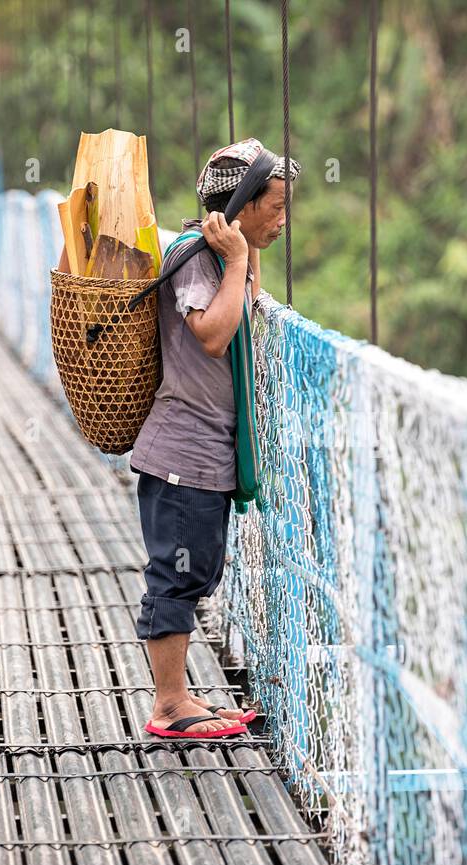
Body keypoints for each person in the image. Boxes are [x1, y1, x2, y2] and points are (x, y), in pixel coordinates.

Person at [128, 138, 301, 738]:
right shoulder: (200, 256)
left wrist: (243, 260)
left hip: (205, 456)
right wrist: (234, 261)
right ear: (241, 205)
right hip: (182, 456)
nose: (282, 221)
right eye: (274, 208)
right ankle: (169, 706)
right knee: (175, 575)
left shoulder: (230, 256)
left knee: (197, 570)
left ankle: (180, 696)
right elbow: (214, 336)